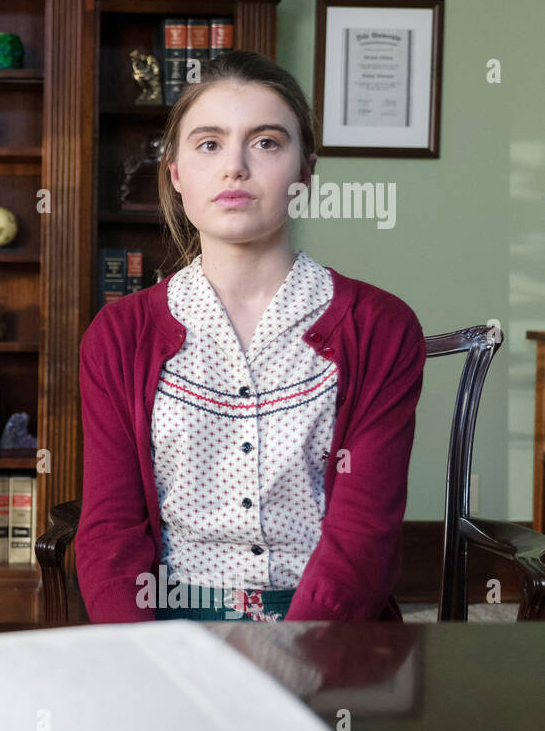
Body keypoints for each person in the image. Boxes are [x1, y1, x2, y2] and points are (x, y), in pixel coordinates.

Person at [76, 50, 425, 623]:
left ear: (305, 174)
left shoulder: (381, 327)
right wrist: (140, 658)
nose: (234, 166)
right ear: (177, 174)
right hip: (168, 632)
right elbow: (110, 529)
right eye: (209, 144)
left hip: (331, 633)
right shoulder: (119, 334)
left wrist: (296, 657)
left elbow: (365, 532)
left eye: (266, 142)